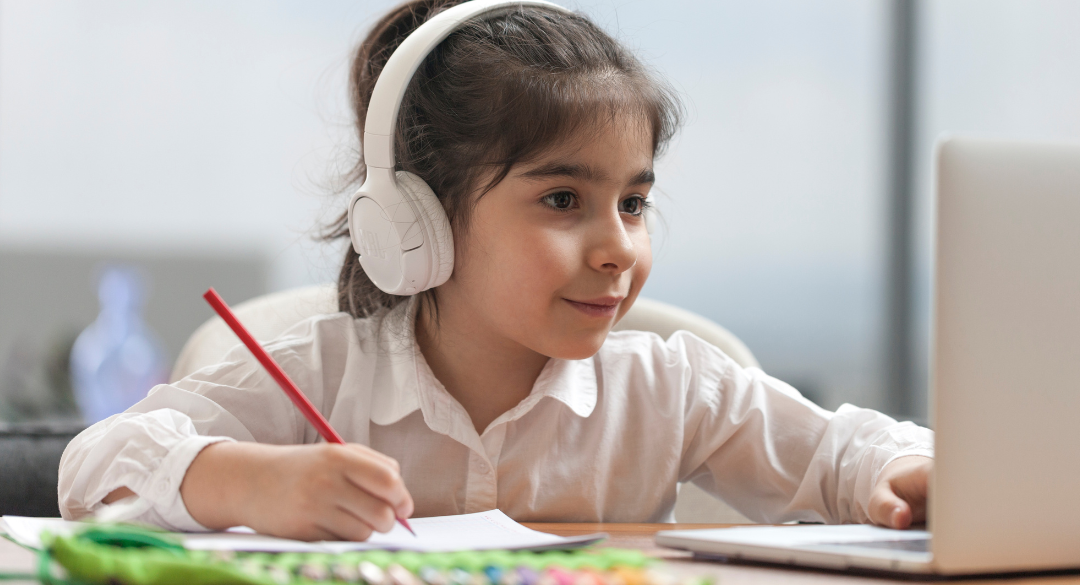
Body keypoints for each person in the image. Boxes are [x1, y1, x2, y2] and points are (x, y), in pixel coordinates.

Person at [58, 0, 933, 542]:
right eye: (562, 201)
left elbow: (840, 456)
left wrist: (901, 476)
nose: (618, 247)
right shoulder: (317, 376)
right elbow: (94, 466)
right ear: (420, 220)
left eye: (632, 203)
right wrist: (248, 481)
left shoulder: (672, 389)